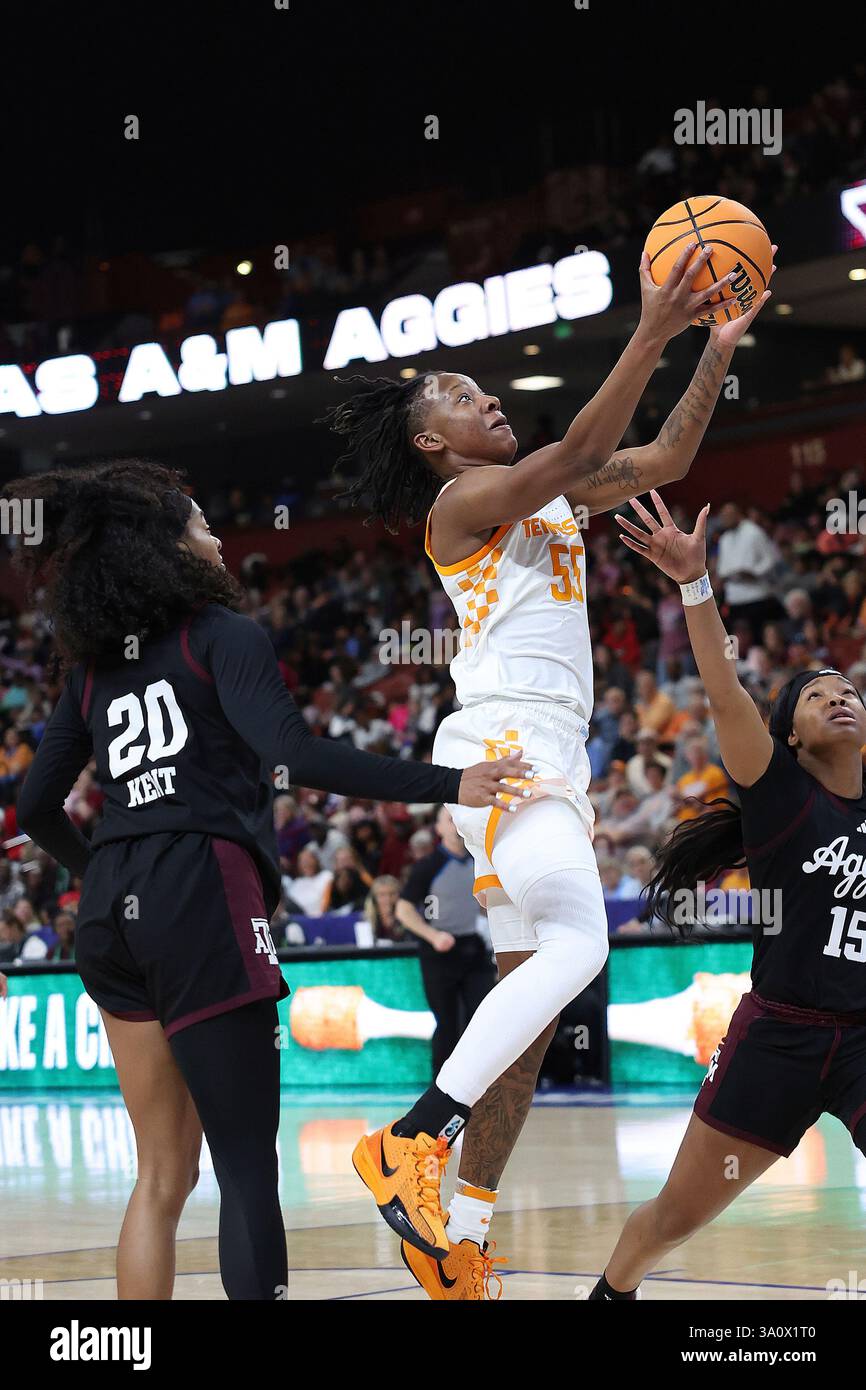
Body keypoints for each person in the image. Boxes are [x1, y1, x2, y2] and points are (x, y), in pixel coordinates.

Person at [326, 243, 772, 1296]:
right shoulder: (461, 508)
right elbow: (576, 449)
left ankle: (459, 1229)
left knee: (531, 1003)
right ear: (431, 441)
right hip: (503, 751)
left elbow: (657, 459)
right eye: (466, 397)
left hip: (543, 759)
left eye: (488, 390)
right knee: (582, 939)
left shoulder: (550, 496)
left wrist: (709, 347)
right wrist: (648, 328)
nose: (489, 401)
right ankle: (415, 1136)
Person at [5, 459, 528, 1303]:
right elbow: (296, 755)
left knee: (160, 1178)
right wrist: (447, 781)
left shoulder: (96, 667)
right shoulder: (222, 635)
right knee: (246, 1166)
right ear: (167, 545)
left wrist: (101, 867)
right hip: (200, 891)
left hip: (108, 908)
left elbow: (34, 806)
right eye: (202, 523)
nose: (217, 536)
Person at [589, 489, 866, 1301]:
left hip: (862, 1039)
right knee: (676, 1217)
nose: (840, 695)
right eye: (818, 695)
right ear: (790, 733)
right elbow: (722, 689)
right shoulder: (780, 794)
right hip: (775, 1038)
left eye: (848, 688)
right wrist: (694, 585)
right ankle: (613, 1292)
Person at [396, 806, 496, 1073]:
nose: (455, 825)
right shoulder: (428, 867)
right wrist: (433, 935)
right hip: (439, 953)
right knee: (448, 1023)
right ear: (439, 829)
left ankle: (483, 1080)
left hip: (474, 949)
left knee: (484, 1016)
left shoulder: (480, 861)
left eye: (459, 820)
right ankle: (442, 1088)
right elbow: (403, 909)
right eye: (450, 820)